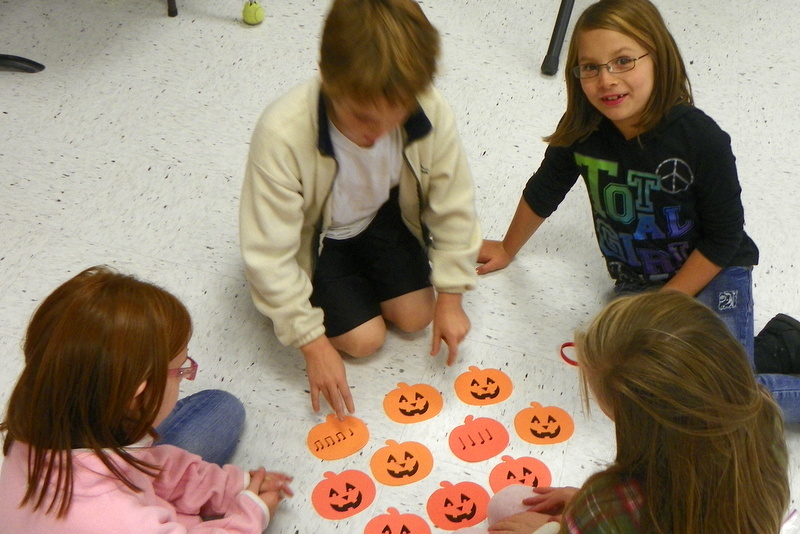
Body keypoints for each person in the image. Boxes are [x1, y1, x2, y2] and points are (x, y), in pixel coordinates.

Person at [476, 0, 800, 422]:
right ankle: (780, 345)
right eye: (589, 67)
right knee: (636, 388)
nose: (606, 79)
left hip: (715, 272)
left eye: (623, 61)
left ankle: (763, 360)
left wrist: (665, 303)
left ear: (658, 58)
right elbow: (544, 190)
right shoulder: (582, 129)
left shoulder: (701, 138)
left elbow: (724, 239)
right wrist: (507, 247)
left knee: (721, 397)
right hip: (637, 284)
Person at [240, 0, 481, 419]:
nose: (379, 133)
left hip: (381, 217)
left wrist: (451, 295)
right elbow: (267, 256)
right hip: (320, 238)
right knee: (364, 341)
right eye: (363, 117)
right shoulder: (281, 134)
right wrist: (311, 342)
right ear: (327, 75)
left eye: (396, 117)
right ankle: (340, 294)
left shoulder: (428, 107)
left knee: (417, 316)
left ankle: (367, 290)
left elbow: (453, 203)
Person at [456, 291, 790, 534]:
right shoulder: (765, 419)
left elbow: (618, 515)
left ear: (632, 423)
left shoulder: (606, 503)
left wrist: (552, 527)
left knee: (508, 502)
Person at [0, 266, 294, 533]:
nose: (187, 376)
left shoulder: (44, 417)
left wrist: (232, 485)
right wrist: (250, 517)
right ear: (136, 394)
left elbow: (143, 464)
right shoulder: (118, 520)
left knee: (221, 406)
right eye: (180, 370)